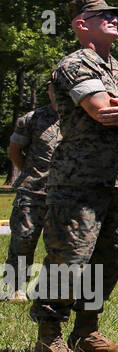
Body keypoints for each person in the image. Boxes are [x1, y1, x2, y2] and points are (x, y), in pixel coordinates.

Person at [30, 0, 118, 352]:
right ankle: (49, 341)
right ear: (80, 24)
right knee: (68, 259)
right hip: (78, 182)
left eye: (115, 14)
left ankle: (86, 332)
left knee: (109, 260)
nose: (114, 19)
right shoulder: (75, 65)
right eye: (103, 15)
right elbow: (103, 111)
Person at [3, 78, 59, 302]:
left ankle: (50, 289)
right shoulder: (32, 119)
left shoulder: (79, 119)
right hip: (32, 191)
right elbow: (14, 151)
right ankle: (13, 288)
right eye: (53, 87)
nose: (56, 91)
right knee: (23, 240)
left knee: (60, 245)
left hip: (66, 194)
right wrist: (29, 174)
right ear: (48, 90)